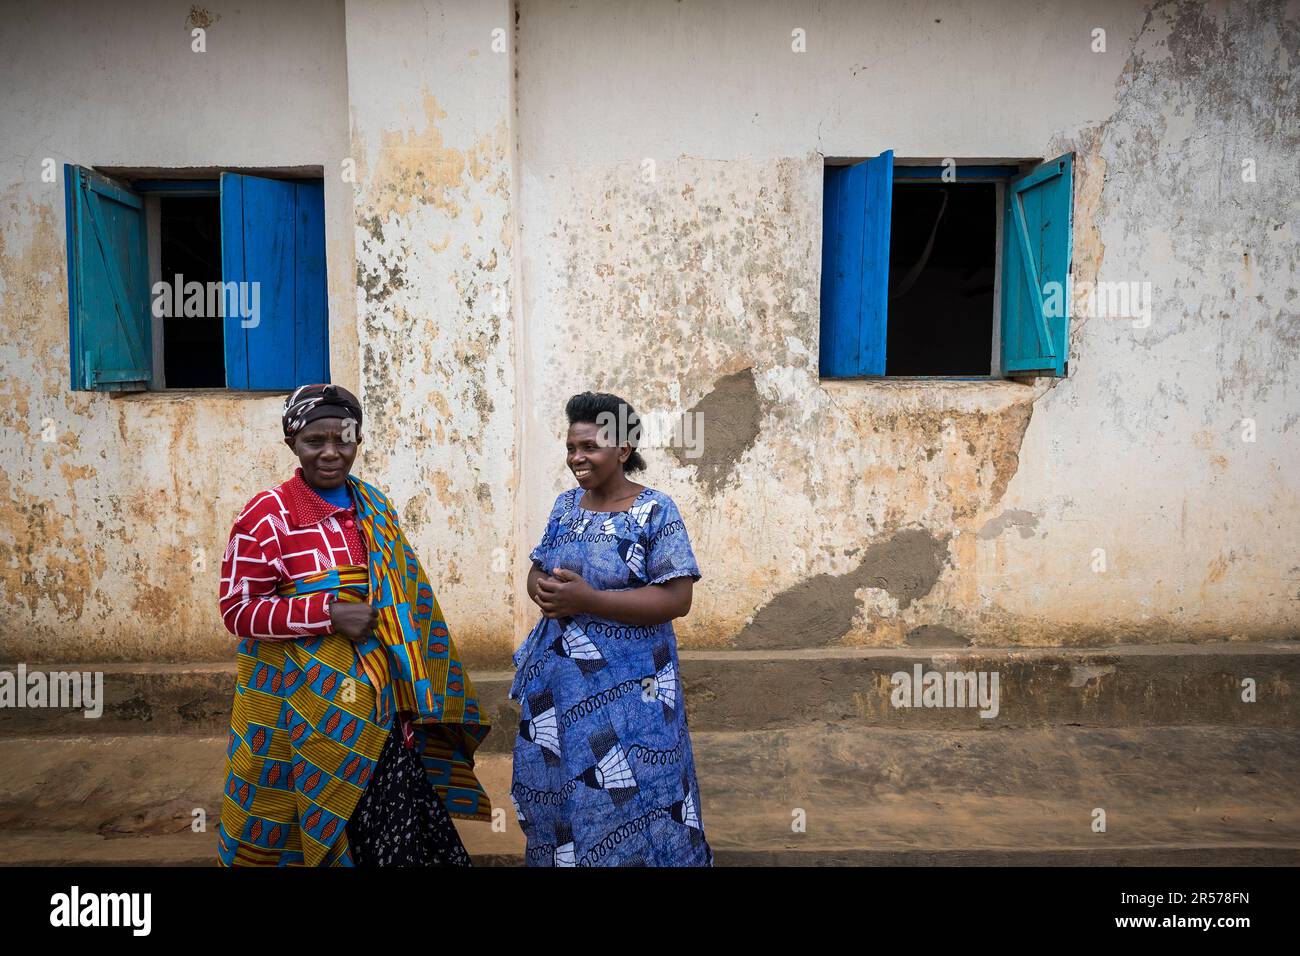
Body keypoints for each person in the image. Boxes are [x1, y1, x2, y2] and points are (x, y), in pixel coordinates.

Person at [215, 383, 491, 866]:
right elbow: (238, 610)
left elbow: (407, 600)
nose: (330, 452)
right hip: (301, 714)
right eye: (313, 441)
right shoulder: (268, 516)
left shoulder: (375, 505)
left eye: (343, 439)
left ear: (358, 440)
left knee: (391, 833)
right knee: (301, 819)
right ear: (291, 443)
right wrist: (327, 614)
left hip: (381, 705)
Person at [510, 391, 712, 866]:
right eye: (572, 448)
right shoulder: (565, 506)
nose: (577, 458)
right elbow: (538, 570)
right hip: (564, 692)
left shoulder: (655, 512)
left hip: (636, 693)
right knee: (567, 791)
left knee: (643, 792)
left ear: (622, 451)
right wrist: (543, 589)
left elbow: (677, 599)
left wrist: (589, 600)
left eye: (589, 448)